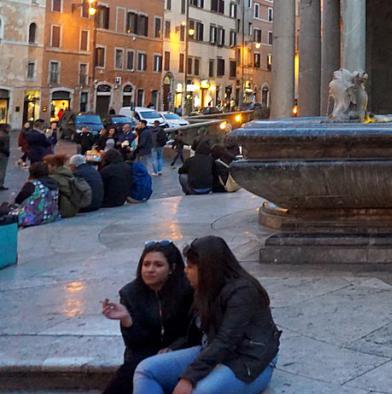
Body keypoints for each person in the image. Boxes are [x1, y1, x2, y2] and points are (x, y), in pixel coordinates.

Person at [133, 236, 279, 394]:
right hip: (211, 350)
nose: (185, 271)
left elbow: (226, 341)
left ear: (206, 268)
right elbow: (196, 335)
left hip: (249, 359)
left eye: (190, 267)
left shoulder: (243, 293)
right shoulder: (206, 288)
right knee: (146, 369)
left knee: (201, 391)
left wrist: (188, 377)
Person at [101, 241, 195, 394]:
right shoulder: (129, 294)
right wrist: (127, 320)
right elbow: (134, 345)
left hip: (179, 351)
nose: (150, 270)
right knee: (134, 369)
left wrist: (173, 348)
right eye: (146, 264)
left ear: (171, 268)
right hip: (145, 354)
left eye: (158, 265)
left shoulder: (187, 291)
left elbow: (193, 332)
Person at [13, 162, 61, 227]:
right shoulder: (54, 182)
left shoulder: (32, 184)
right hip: (52, 216)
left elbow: (18, 200)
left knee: (6, 213)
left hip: (34, 219)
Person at [44, 153, 81, 219]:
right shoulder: (68, 174)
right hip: (73, 208)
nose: (44, 167)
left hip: (64, 210)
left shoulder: (53, 178)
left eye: (46, 165)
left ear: (54, 166)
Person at [0, 123, 10, 191]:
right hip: (3, 154)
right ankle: (0, 184)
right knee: (2, 170)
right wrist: (7, 152)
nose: (9, 129)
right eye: (8, 128)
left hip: (2, 153)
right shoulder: (4, 135)